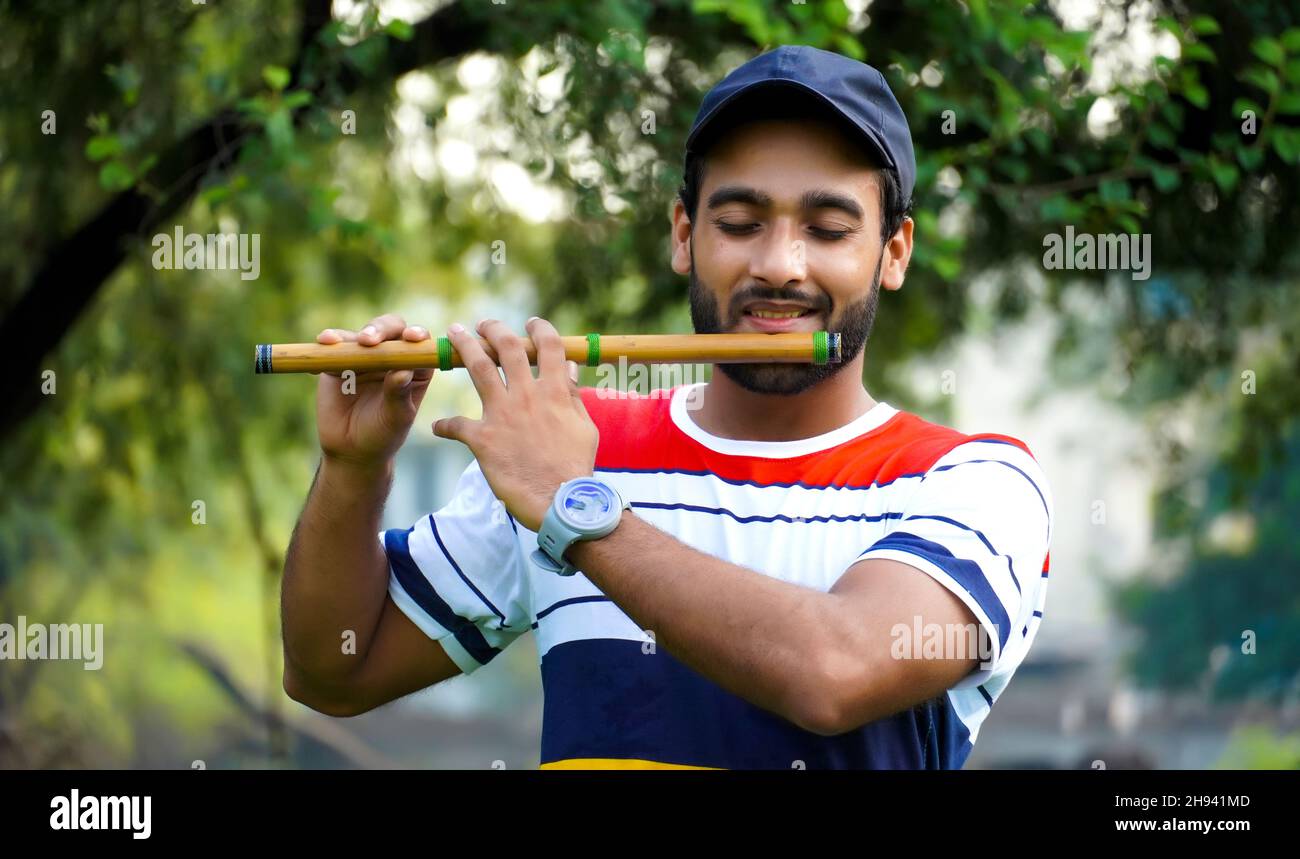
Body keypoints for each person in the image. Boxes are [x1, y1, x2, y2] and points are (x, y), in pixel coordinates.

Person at [280, 45, 1053, 769]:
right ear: (685, 235)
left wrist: (571, 508)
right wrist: (355, 469)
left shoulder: (975, 482)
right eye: (740, 223)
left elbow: (835, 671)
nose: (779, 266)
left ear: (893, 252)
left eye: (827, 228)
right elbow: (334, 671)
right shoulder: (577, 444)